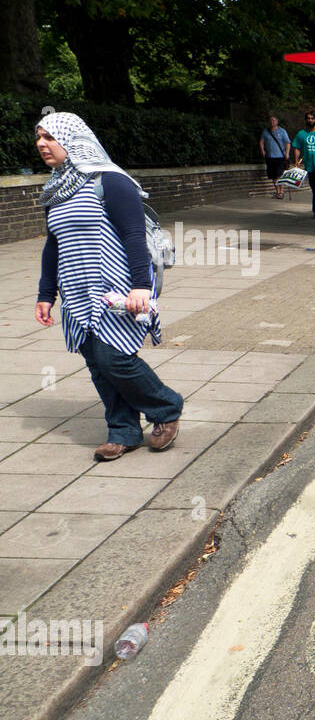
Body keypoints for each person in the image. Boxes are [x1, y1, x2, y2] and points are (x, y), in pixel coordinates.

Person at [34, 113, 182, 462]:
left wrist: (142, 287)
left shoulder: (111, 181)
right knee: (98, 365)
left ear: (72, 141)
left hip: (116, 287)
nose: (41, 144)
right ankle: (123, 431)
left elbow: (133, 235)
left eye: (50, 137)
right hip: (75, 289)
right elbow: (53, 244)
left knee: (114, 358)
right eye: (39, 137)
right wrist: (45, 293)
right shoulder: (55, 188)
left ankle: (166, 407)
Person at [259, 114, 291, 200]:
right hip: (269, 157)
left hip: (280, 156)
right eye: (271, 120)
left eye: (274, 120)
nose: (272, 122)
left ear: (277, 121)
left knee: (279, 175)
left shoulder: (282, 131)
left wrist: (287, 154)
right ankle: (277, 192)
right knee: (273, 176)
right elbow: (261, 141)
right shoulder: (266, 131)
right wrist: (262, 150)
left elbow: (287, 143)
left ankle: (281, 191)